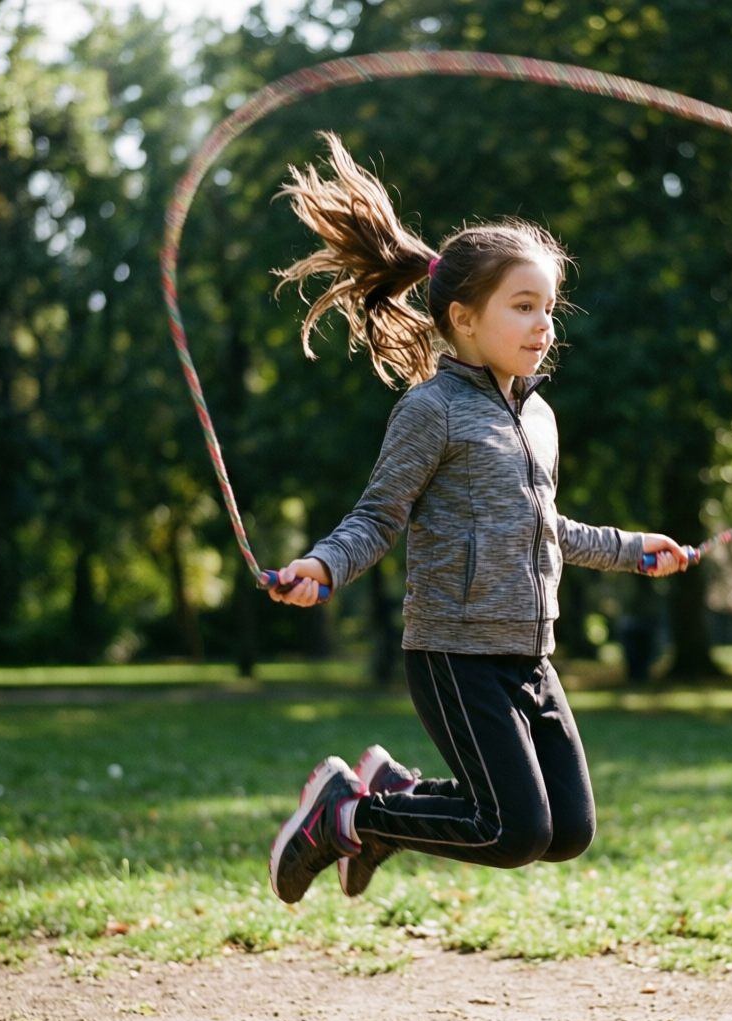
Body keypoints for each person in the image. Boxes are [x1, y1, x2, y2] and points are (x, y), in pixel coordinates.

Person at [263, 134, 689, 904]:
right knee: (512, 831)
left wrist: (632, 549)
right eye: (522, 307)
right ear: (462, 317)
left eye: (549, 308)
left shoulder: (540, 418)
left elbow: (545, 528)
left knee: (568, 832)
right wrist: (321, 565)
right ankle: (346, 816)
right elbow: (378, 514)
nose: (543, 325)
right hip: (455, 651)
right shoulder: (431, 411)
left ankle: (387, 790)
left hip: (530, 652)